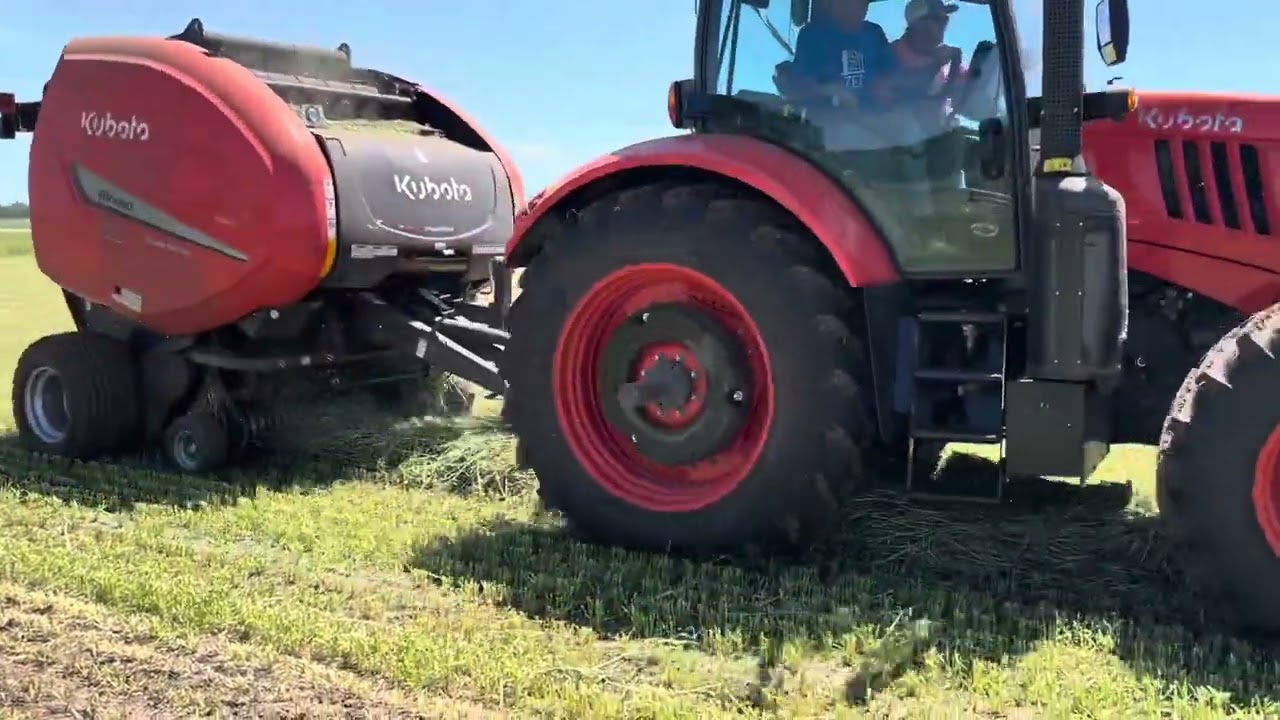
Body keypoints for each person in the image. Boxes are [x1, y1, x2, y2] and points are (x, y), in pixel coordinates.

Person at [788, 0, 893, 112]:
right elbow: (803, 86)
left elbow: (890, 74)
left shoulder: (874, 33)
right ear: (831, 4)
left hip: (877, 120)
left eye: (863, 3)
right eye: (847, 3)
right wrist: (833, 92)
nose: (856, 8)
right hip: (829, 121)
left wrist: (883, 89)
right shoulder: (811, 36)